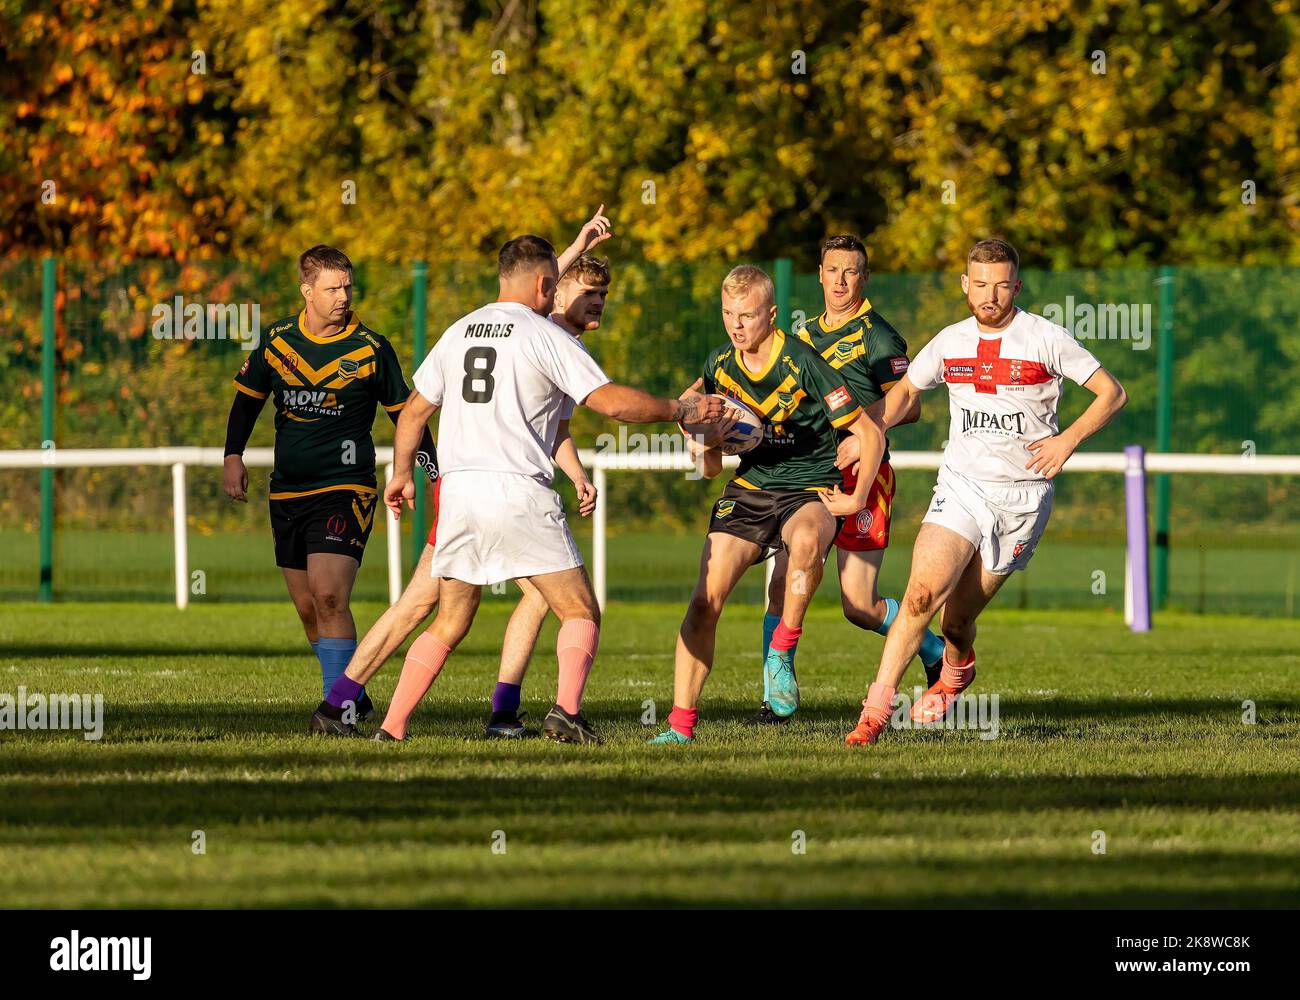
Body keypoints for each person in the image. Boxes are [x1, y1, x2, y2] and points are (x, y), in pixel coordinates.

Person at [308, 234, 725, 744]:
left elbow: (415, 411)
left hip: (459, 493)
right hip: (517, 493)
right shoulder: (543, 335)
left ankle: (393, 727)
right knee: (579, 609)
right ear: (546, 284)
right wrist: (679, 409)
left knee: (448, 620)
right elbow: (612, 403)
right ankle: (565, 713)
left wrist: (399, 474)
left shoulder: (460, 330)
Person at [845, 238, 1127, 747]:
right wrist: (864, 436)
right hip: (962, 486)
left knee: (958, 620)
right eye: (979, 284)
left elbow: (1112, 393)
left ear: (1015, 286)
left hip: (1021, 500)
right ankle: (874, 713)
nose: (989, 295)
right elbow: (907, 391)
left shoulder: (1046, 338)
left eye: (1000, 285)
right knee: (920, 595)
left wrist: (1067, 440)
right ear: (965, 285)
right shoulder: (951, 341)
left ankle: (956, 670)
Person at [649, 265, 886, 744]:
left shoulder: (803, 363)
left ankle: (781, 651)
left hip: (809, 489)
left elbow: (868, 431)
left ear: (772, 315)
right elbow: (710, 465)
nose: (736, 325)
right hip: (751, 489)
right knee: (703, 602)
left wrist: (856, 498)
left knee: (803, 544)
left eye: (748, 315)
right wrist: (707, 440)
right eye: (728, 314)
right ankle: (679, 726)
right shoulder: (719, 365)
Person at [222, 245, 436, 717]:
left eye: (347, 287)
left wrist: (431, 473)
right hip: (289, 490)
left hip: (346, 488)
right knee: (307, 608)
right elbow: (247, 401)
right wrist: (232, 456)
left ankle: (337, 711)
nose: (343, 296)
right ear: (307, 291)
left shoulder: (372, 349)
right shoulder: (278, 341)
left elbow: (409, 415)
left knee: (329, 594)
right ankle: (352, 695)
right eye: (332, 288)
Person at [749, 235, 945, 726]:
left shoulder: (878, 336)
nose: (840, 281)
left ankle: (933, 646)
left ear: (865, 277)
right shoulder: (802, 335)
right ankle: (777, 697)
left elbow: (912, 403)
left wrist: (864, 434)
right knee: (784, 582)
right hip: (804, 473)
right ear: (819, 273)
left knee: (858, 604)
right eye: (832, 270)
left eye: (851, 271)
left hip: (862, 477)